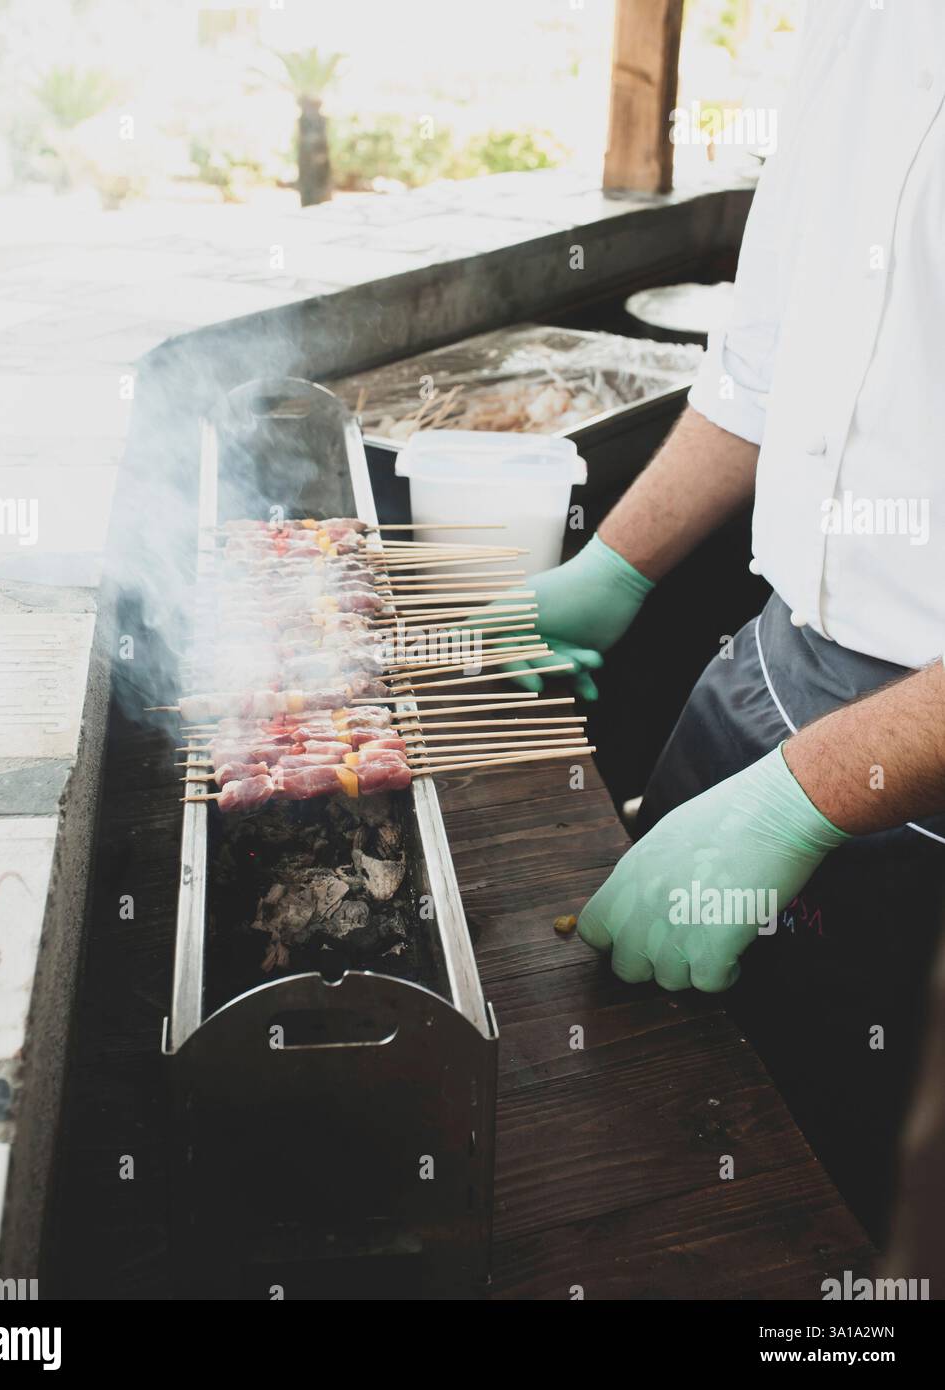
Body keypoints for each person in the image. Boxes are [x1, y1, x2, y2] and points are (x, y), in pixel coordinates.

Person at [506, 1, 945, 1237]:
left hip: (920, 768)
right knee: (631, 1116)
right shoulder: (861, 24)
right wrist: (610, 572)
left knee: (804, 1208)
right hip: (771, 664)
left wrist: (802, 793)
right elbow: (768, 359)